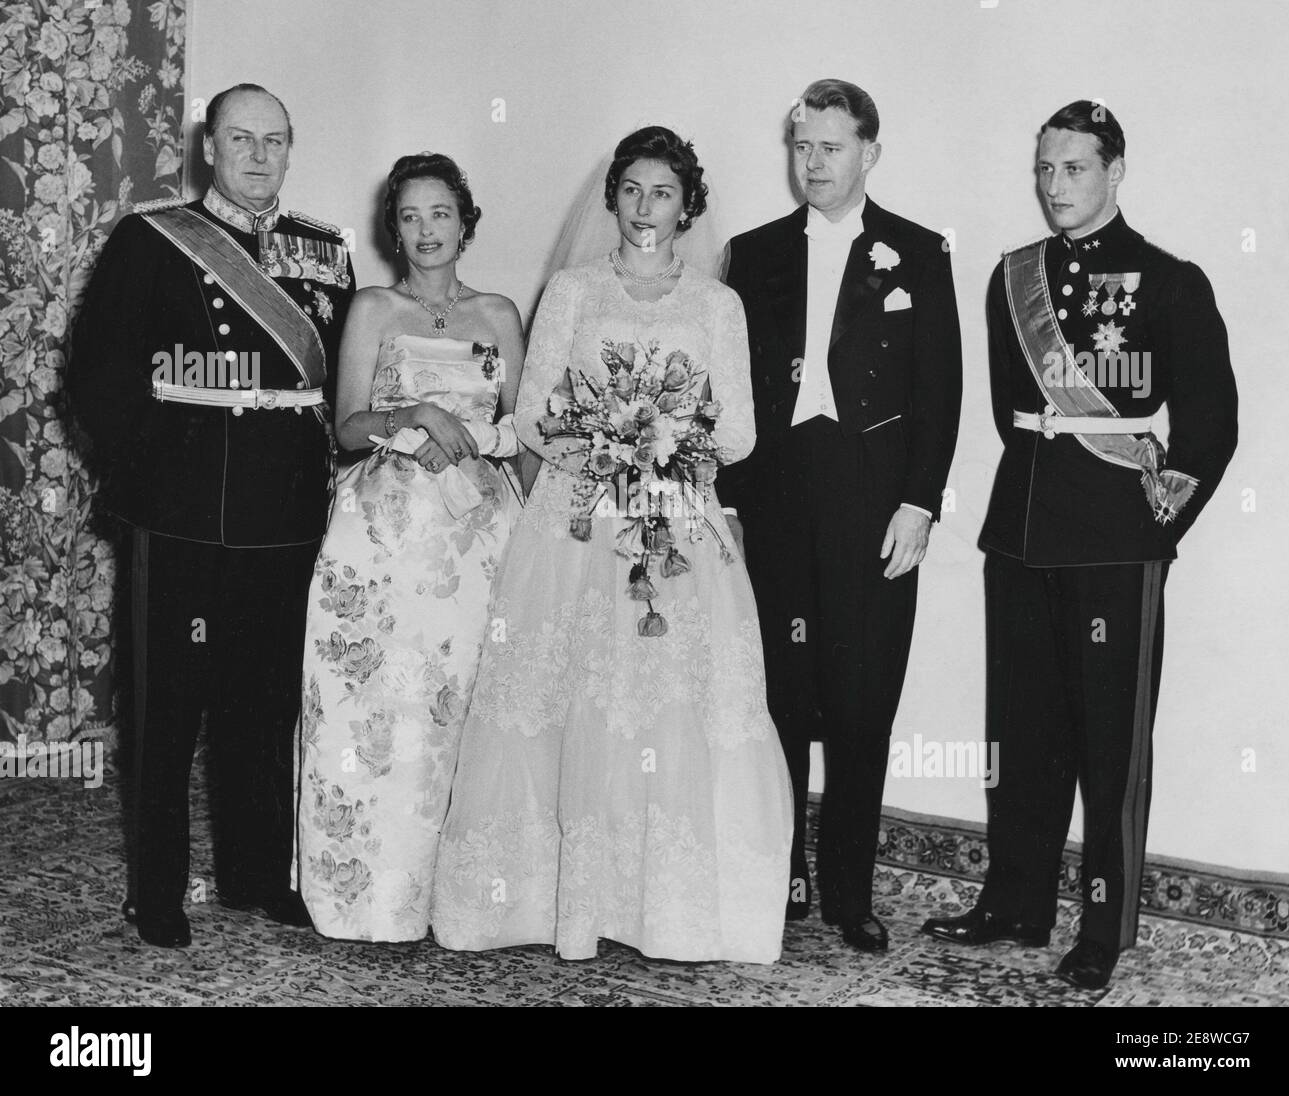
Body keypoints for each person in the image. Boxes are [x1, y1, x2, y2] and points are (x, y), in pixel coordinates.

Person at [431, 126, 793, 963]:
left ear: (687, 207)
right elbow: (530, 414)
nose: (644, 208)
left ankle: (667, 909)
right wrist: (606, 444)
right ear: (613, 199)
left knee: (665, 703)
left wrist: (663, 447)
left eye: (662, 193)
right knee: (572, 699)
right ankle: (552, 903)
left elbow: (739, 432)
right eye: (631, 190)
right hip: (579, 520)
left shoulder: (718, 305)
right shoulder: (572, 291)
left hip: (675, 522)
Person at [921, 101, 1238, 989]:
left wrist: (1155, 522)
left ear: (1115, 171)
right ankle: (1014, 902)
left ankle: (1103, 925)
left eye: (1075, 169)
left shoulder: (1169, 281)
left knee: (1109, 743)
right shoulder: (1012, 276)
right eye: (1046, 169)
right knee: (1019, 732)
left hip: (1111, 540)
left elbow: (1211, 424)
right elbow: (1011, 412)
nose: (1055, 186)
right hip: (1022, 529)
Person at [67, 84, 356, 947]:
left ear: (290, 147)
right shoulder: (153, 238)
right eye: (241, 138)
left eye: (274, 140)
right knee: (166, 706)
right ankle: (156, 889)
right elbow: (99, 374)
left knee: (265, 702)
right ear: (208, 146)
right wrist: (148, 476)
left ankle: (254, 873)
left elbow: (346, 375)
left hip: (286, 509)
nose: (258, 156)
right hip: (180, 511)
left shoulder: (326, 251)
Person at [716, 79, 962, 951]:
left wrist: (920, 503)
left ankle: (851, 892)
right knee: (781, 692)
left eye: (830, 147)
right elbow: (728, 389)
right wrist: (731, 505)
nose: (813, 163)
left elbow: (940, 389)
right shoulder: (753, 254)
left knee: (863, 699)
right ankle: (782, 870)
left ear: (869, 152)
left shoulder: (919, 252)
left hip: (874, 500)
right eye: (801, 147)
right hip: (779, 494)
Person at [294, 153, 524, 941]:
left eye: (441, 214)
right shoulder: (374, 308)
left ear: (466, 221)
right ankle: (369, 897)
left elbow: (523, 429)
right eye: (410, 216)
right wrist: (414, 415)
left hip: (477, 534)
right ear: (393, 228)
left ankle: (461, 899)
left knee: (462, 706)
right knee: (380, 707)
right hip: (384, 535)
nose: (427, 231)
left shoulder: (498, 314)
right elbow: (346, 425)